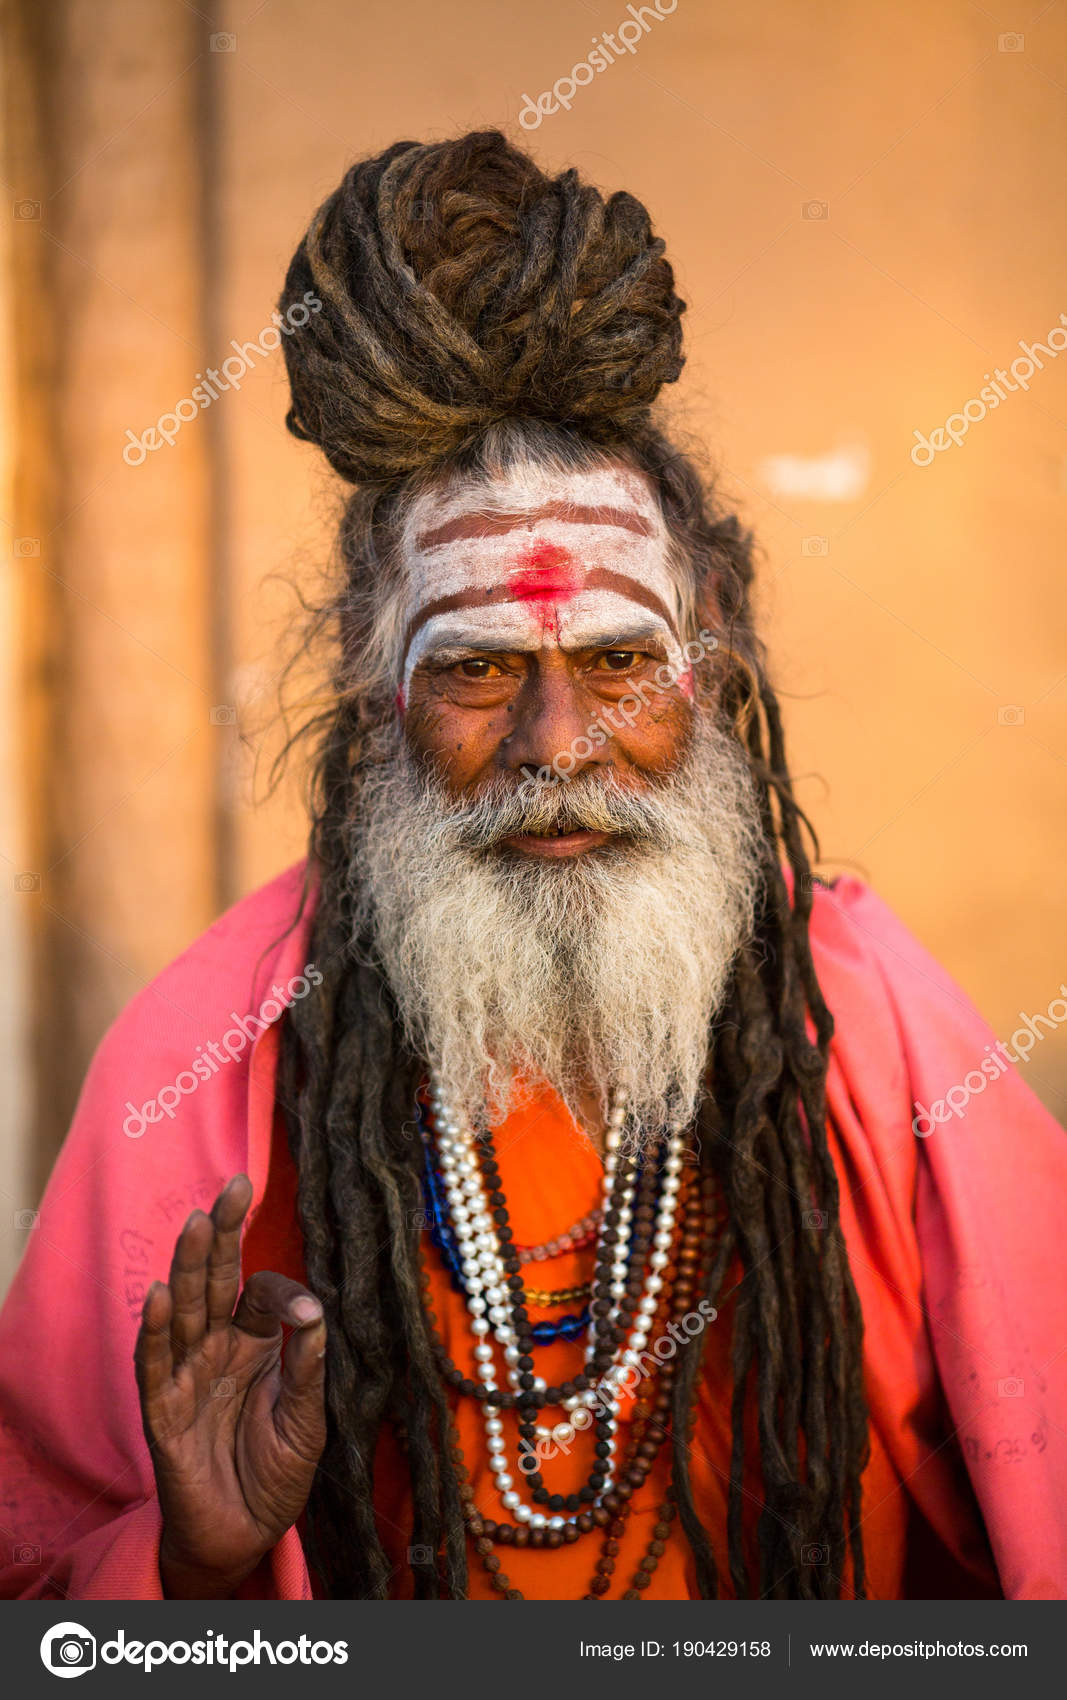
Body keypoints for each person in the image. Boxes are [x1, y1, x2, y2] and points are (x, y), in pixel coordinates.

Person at [1, 130, 1064, 1604]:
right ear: (380, 696)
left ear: (705, 670)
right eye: (483, 668)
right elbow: (46, 1591)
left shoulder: (864, 1021)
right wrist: (191, 1558)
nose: (556, 741)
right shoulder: (212, 1056)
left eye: (619, 662)